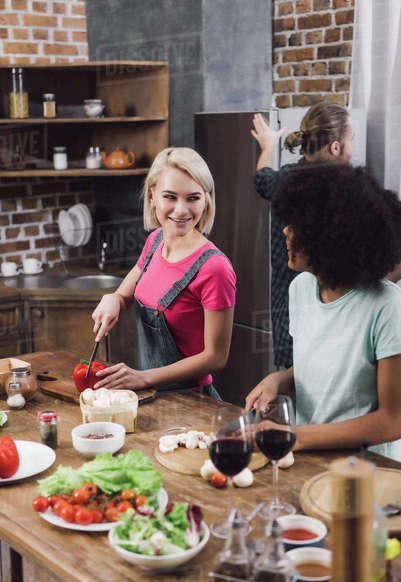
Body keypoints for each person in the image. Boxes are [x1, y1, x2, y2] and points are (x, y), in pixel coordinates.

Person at [245, 163, 401, 460]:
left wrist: (296, 436)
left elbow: (393, 419)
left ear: (331, 237)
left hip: (368, 468)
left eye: (299, 226)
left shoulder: (387, 306)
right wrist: (278, 380)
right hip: (312, 455)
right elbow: (320, 367)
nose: (285, 231)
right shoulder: (301, 288)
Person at [91, 147, 236, 398]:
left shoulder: (215, 268)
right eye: (170, 197)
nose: (181, 210)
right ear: (152, 197)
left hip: (192, 401)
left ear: (206, 199)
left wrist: (143, 377)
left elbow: (216, 357)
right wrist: (113, 299)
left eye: (193, 198)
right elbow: (124, 295)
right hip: (151, 395)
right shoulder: (155, 241)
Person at [251, 102, 354, 369]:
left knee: (292, 381)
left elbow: (261, 178)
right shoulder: (345, 191)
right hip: (330, 309)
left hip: (286, 306)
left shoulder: (285, 178)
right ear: (335, 147)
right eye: (350, 139)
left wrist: (268, 146)